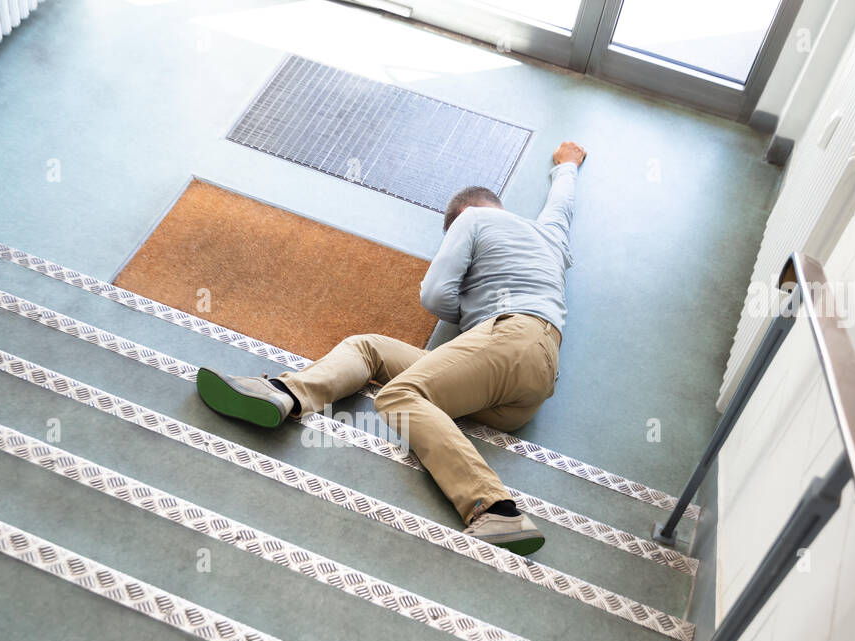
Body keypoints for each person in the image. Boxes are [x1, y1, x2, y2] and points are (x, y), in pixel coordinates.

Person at [194, 140, 587, 556]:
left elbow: (435, 296)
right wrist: (567, 166)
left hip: (509, 336)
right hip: (530, 385)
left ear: (457, 220)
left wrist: (468, 306)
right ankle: (284, 392)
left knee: (399, 395)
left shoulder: (470, 219)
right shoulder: (550, 236)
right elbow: (561, 205)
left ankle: (496, 509)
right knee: (369, 349)